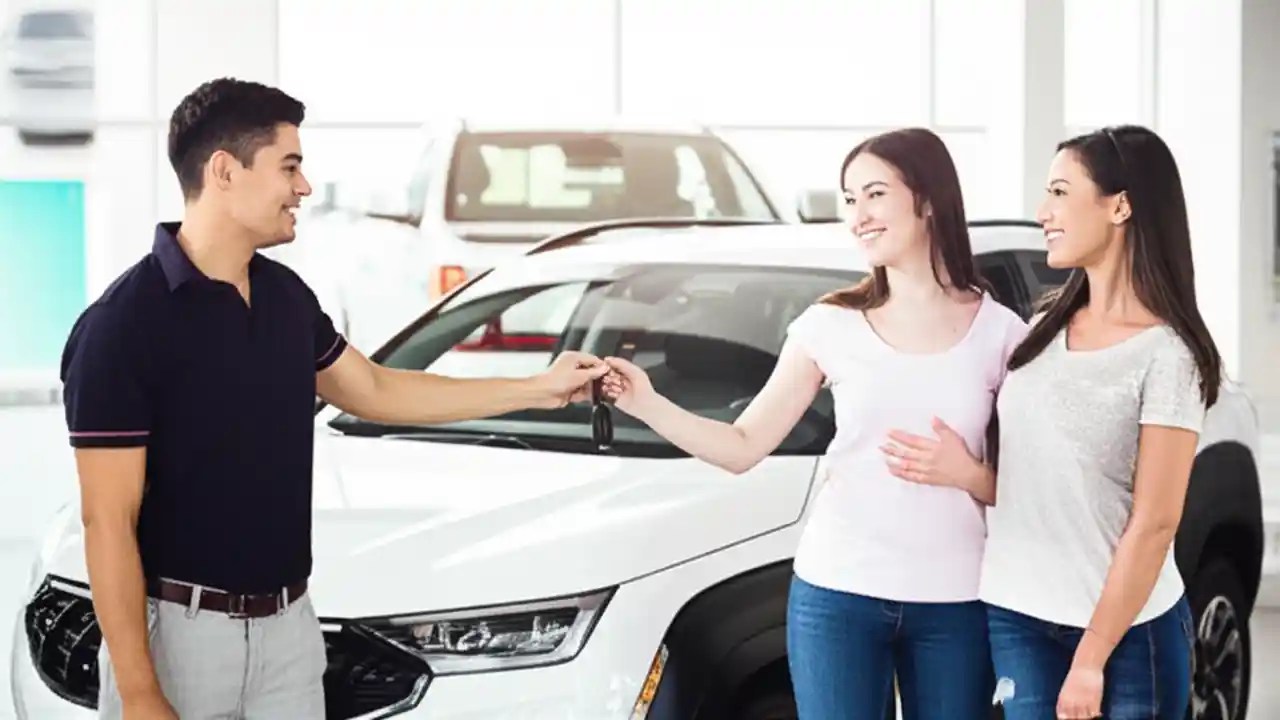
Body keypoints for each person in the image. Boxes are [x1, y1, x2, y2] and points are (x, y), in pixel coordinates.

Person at [60, 77, 609, 720]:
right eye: (289, 166)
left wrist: (537, 389)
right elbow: (107, 523)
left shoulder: (287, 298)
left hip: (289, 633)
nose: (305, 187)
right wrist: (141, 690)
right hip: (179, 639)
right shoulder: (123, 326)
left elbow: (374, 388)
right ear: (224, 171)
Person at [600, 127, 1028, 719]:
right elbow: (743, 445)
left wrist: (968, 474)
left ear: (928, 200)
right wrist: (645, 401)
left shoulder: (1003, 335)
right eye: (850, 200)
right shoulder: (829, 325)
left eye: (875, 195)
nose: (859, 216)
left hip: (956, 599)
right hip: (838, 595)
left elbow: (1040, 491)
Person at [884, 125, 1219, 719]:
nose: (1043, 213)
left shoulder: (1167, 355)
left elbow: (1155, 522)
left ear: (1120, 205)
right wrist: (967, 473)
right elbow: (1038, 485)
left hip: (1124, 634)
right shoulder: (1043, 328)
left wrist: (1091, 659)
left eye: (1060, 193)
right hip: (1018, 615)